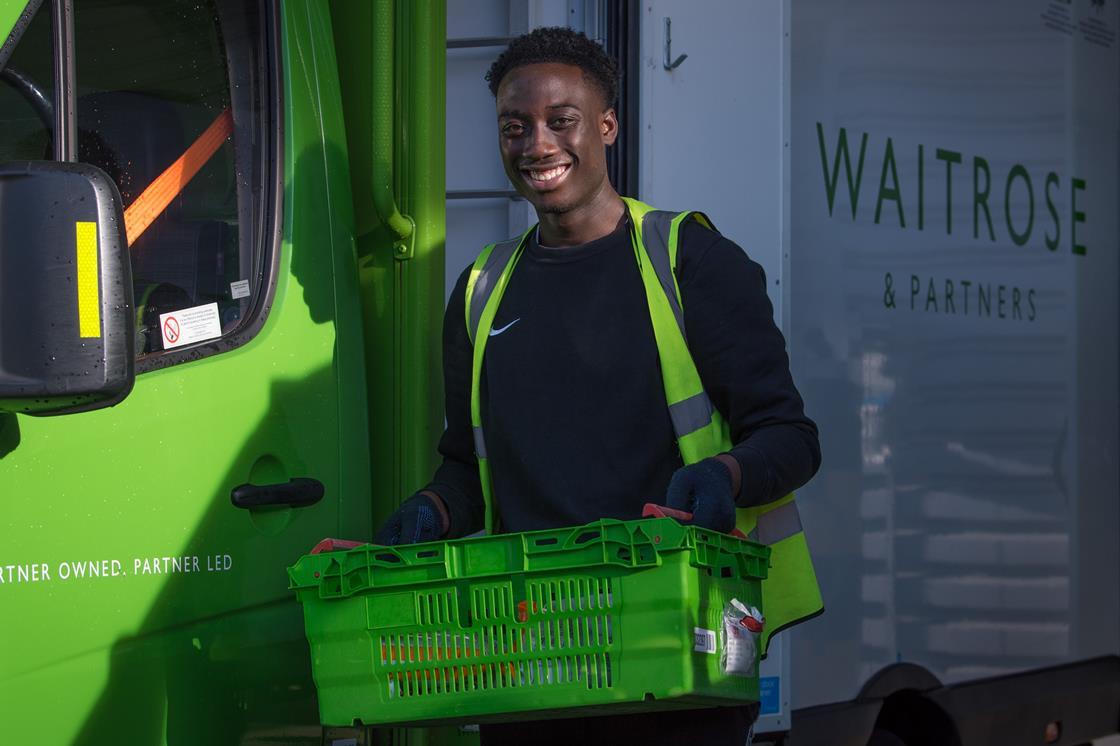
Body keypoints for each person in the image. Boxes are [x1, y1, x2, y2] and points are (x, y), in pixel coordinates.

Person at [375, 27, 822, 746]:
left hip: (676, 660)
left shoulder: (691, 261)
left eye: (562, 121)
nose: (536, 145)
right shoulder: (481, 290)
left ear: (606, 126)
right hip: (532, 665)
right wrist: (432, 509)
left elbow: (792, 438)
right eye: (514, 127)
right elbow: (468, 466)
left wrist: (724, 474)